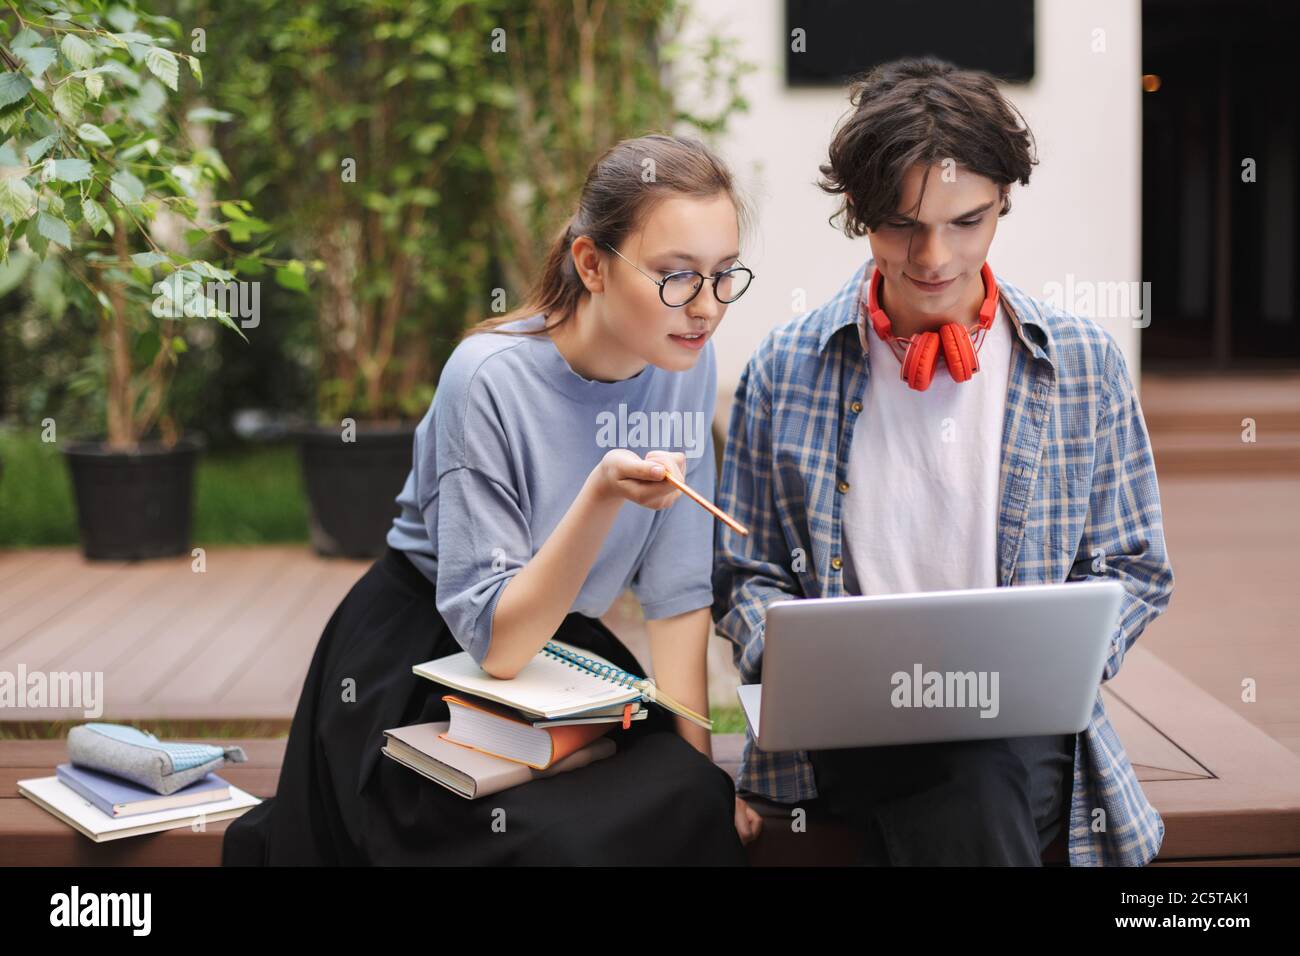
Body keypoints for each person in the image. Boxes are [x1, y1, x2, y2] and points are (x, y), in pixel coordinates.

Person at [224, 133, 760, 865]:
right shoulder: (486, 379)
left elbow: (676, 594)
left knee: (688, 795)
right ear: (592, 265)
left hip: (560, 660)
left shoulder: (684, 363)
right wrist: (600, 494)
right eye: (676, 276)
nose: (705, 309)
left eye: (724, 275)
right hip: (430, 661)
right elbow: (499, 642)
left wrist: (705, 771)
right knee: (560, 840)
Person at [712, 58, 1174, 866]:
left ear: (1003, 204)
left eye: (967, 222)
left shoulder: (1081, 365)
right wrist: (793, 658)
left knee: (981, 765)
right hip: (848, 735)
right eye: (902, 224)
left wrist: (1063, 662)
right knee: (970, 775)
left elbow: (1135, 565)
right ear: (857, 214)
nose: (933, 256)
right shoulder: (784, 369)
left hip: (1025, 728)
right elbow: (743, 573)